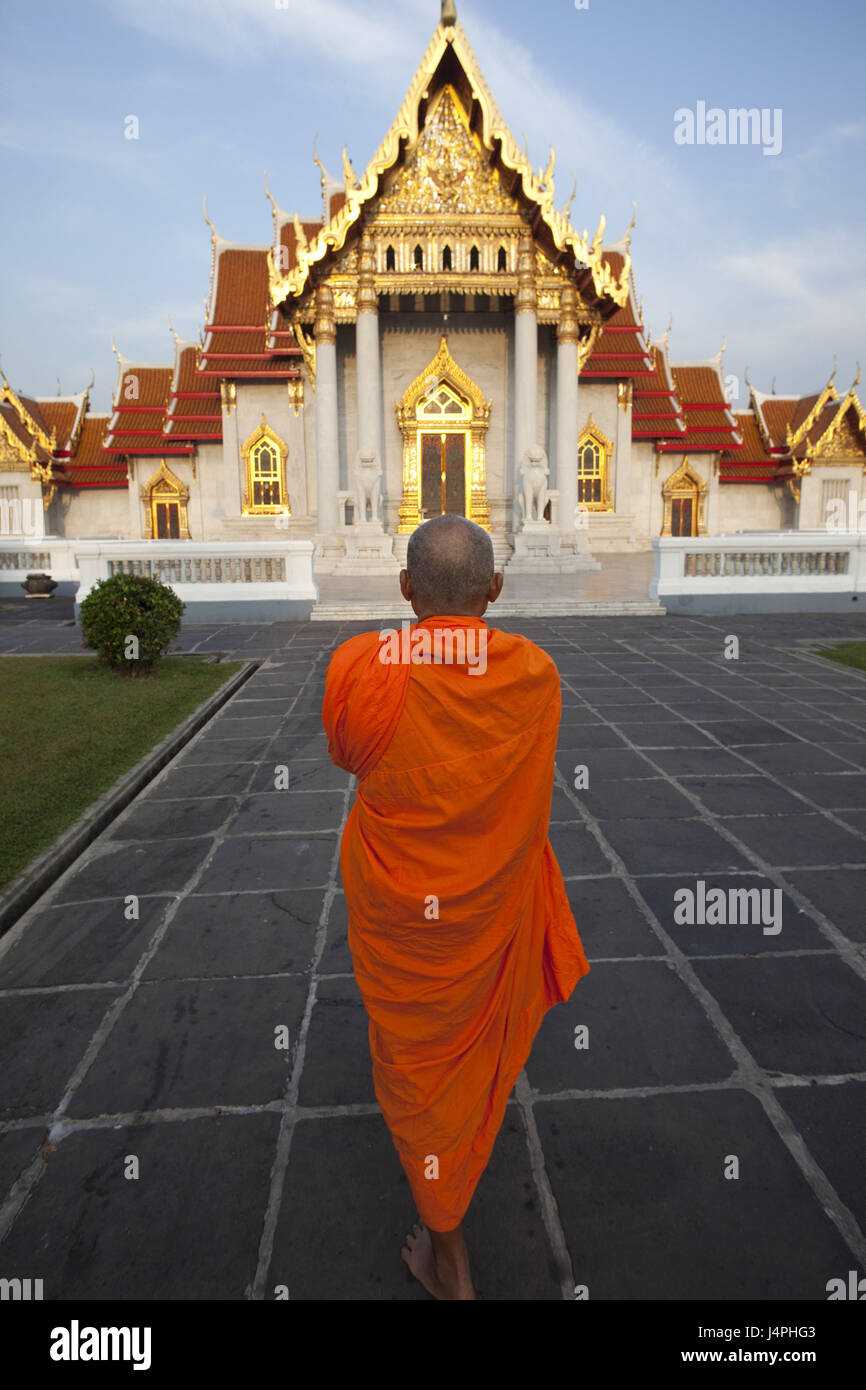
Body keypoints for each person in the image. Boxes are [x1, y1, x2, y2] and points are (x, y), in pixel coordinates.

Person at [321, 513, 589, 1299]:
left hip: (405, 926)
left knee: (416, 1076)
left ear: (404, 590)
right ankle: (451, 1232)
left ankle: (451, 1261)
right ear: (495, 589)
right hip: (484, 920)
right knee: (459, 1072)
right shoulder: (534, 675)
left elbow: (345, 749)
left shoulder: (361, 669)